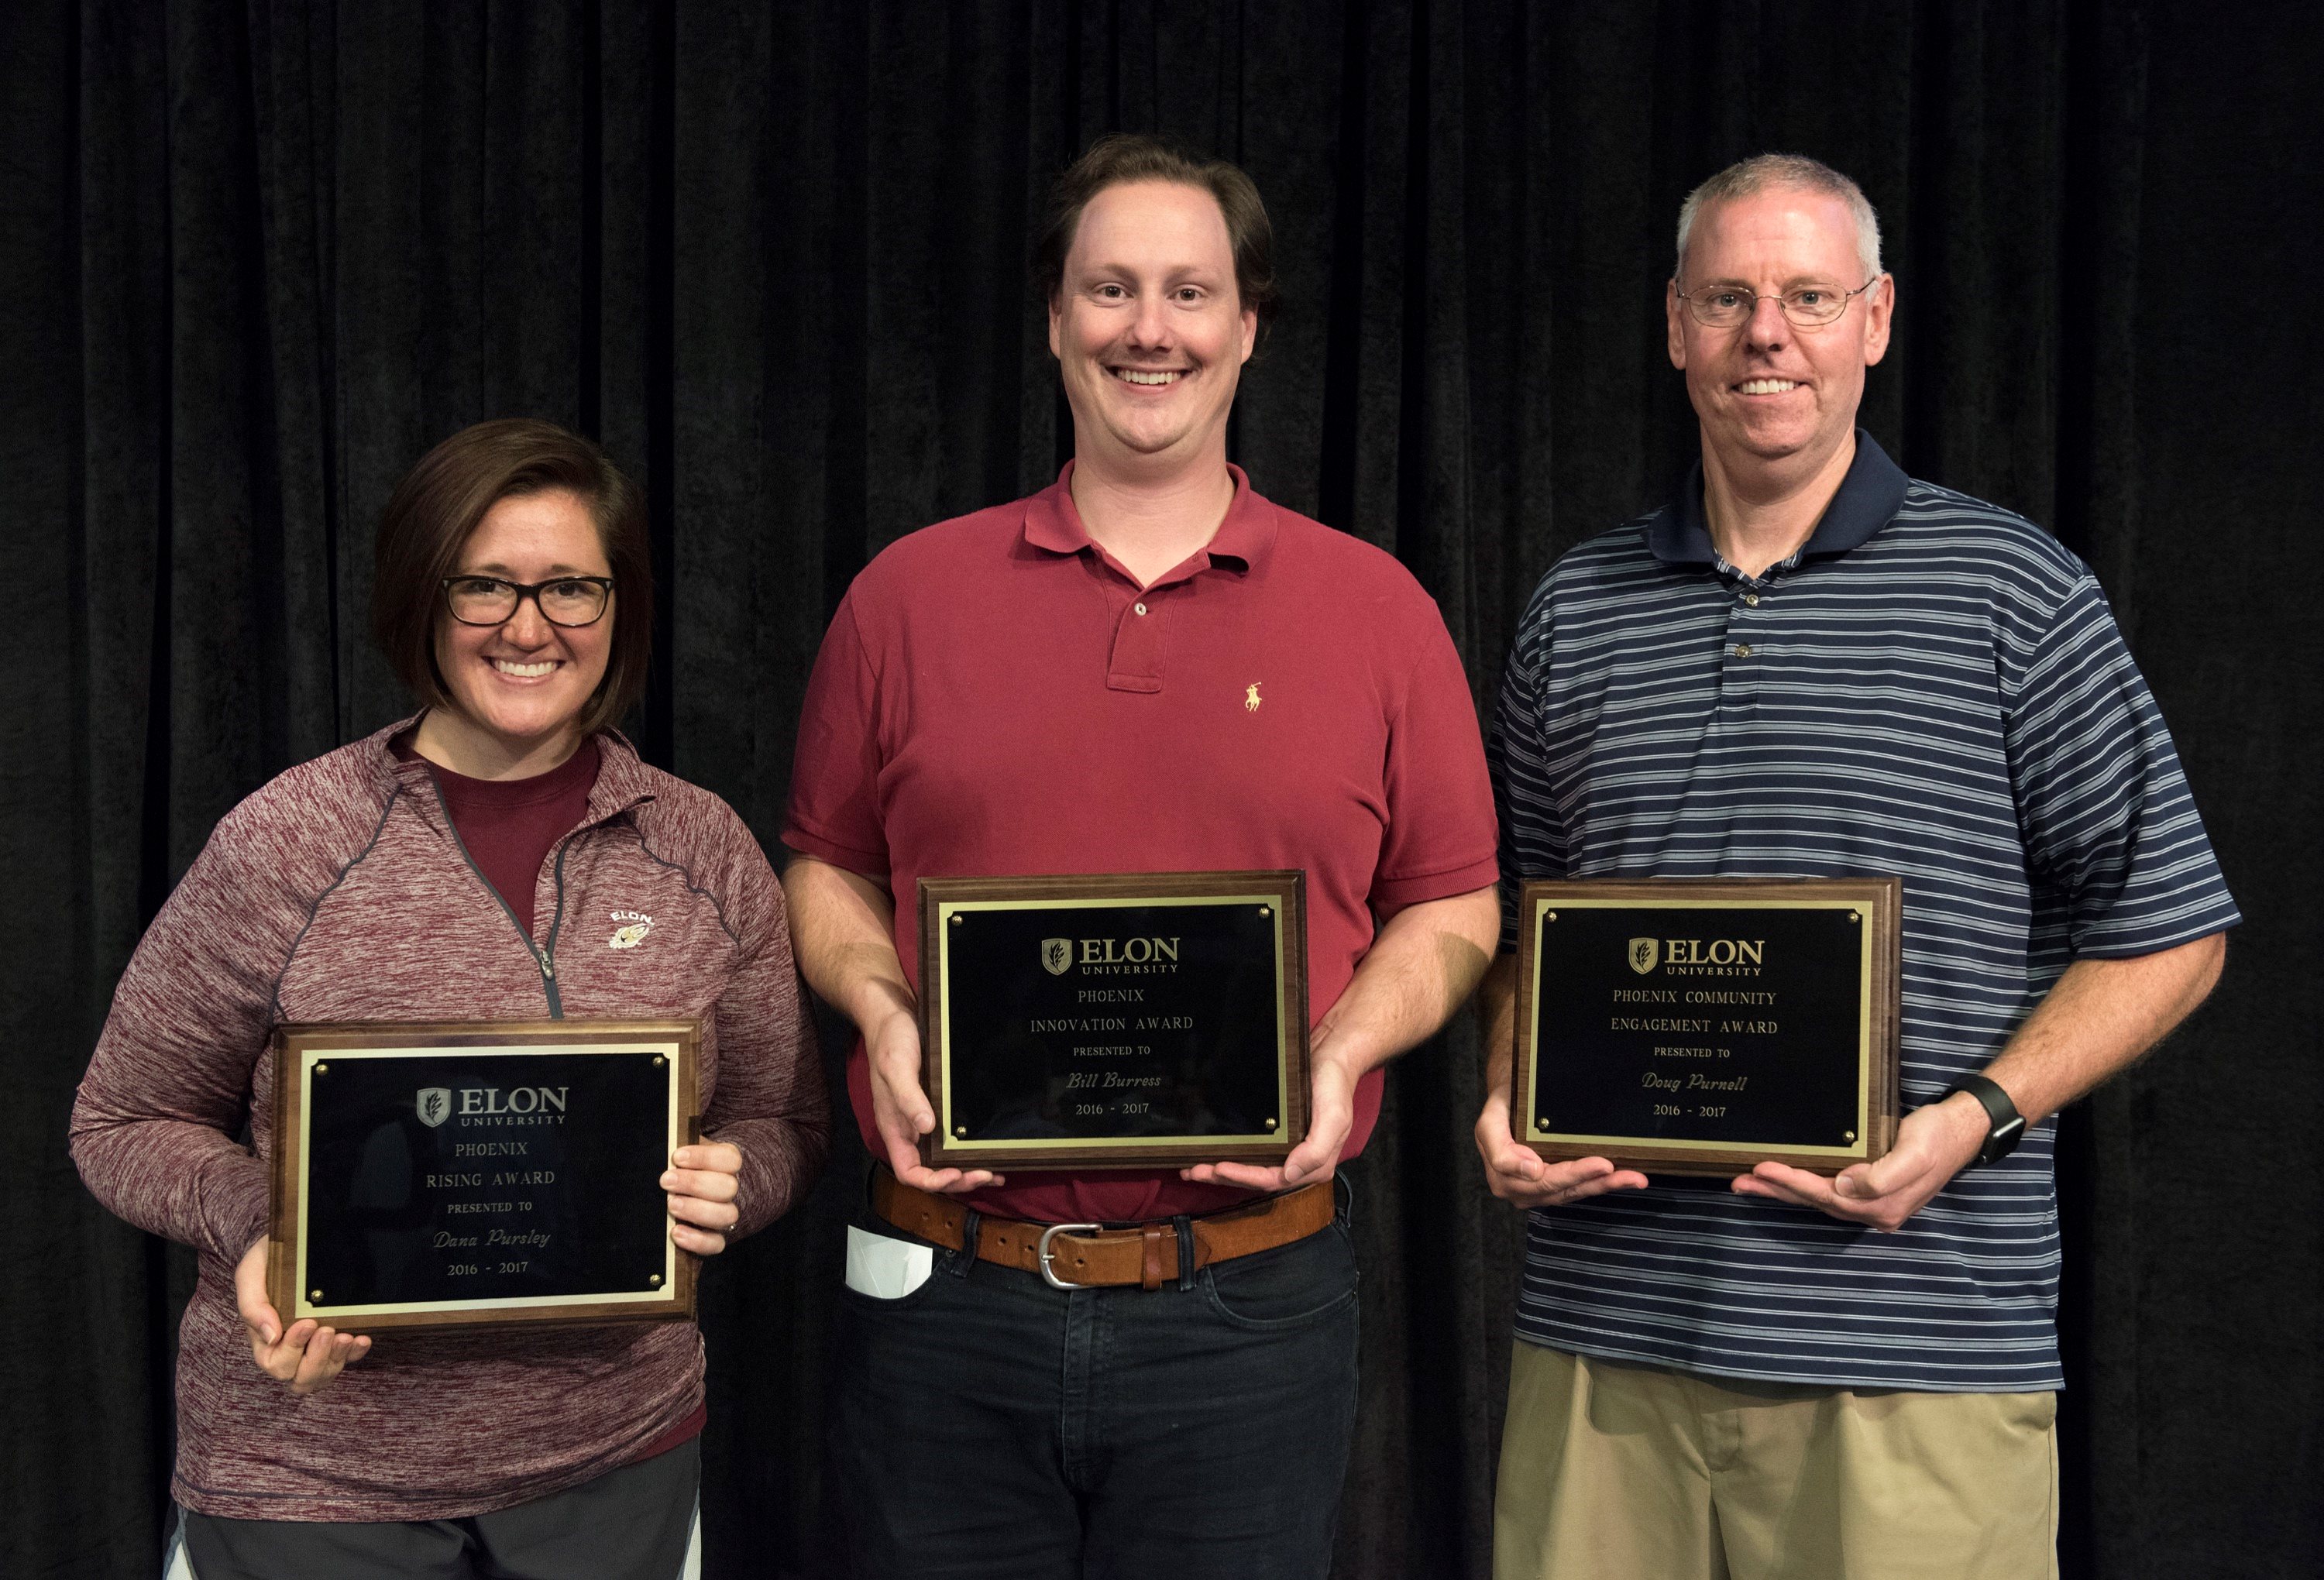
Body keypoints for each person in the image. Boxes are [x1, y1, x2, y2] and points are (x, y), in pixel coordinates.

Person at [1476, 153, 2238, 1580]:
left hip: (1914, 1357)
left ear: (1875, 320)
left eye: (1809, 297)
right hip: (1606, 1346)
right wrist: (1510, 1093)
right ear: (1675, 327)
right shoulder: (1577, 609)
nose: (1766, 334)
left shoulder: (2014, 593)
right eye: (1727, 298)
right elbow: (1527, 922)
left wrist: (1972, 1120)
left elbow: (2173, 928)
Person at [782, 133, 1501, 1578]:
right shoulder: (903, 598)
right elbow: (826, 867)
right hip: (945, 1301)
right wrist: (882, 1008)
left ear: (1250, 325)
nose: (1149, 329)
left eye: (1190, 291)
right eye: (1110, 289)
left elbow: (1454, 901)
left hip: (1248, 1309)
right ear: (1055, 318)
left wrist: (1343, 1054)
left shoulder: (1379, 609)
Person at [70, 418, 828, 1579]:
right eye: (485, 585)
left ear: (619, 606)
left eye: (570, 587)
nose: (528, 627)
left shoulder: (701, 847)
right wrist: (267, 1229)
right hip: (311, 1473)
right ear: (422, 598)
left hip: (616, 1463)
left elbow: (783, 1122)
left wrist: (739, 1183)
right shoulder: (290, 838)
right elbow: (122, 1120)